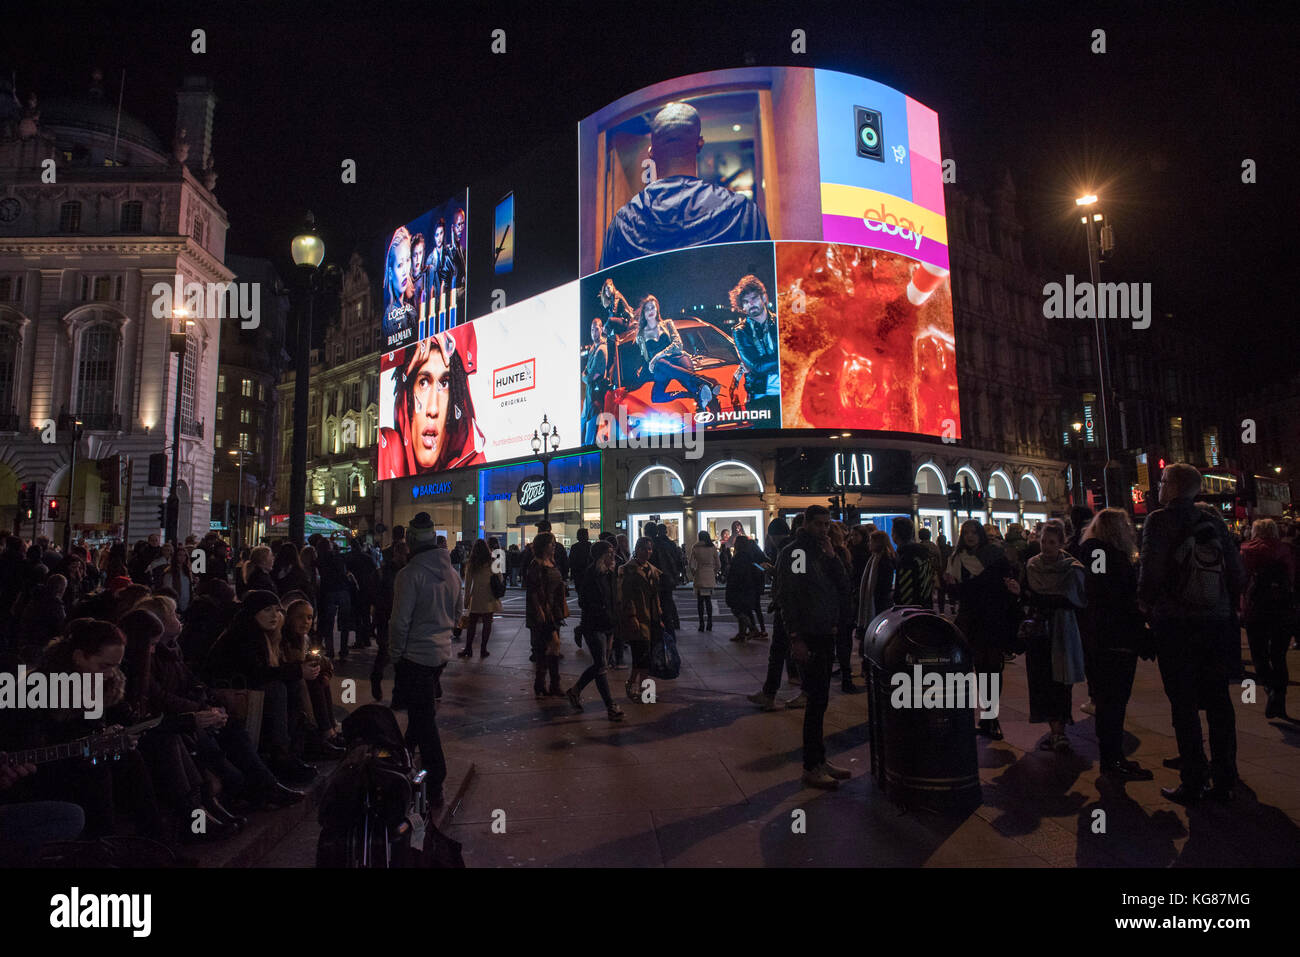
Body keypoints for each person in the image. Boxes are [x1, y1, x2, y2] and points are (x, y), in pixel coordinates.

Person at [1138, 463, 1246, 803]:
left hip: (1177, 625)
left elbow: (1150, 576)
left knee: (1183, 704)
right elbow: (1237, 575)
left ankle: (1194, 779)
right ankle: (1226, 776)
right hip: (1216, 623)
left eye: (1162, 481)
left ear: (1172, 487)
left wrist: (1147, 606)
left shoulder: (1159, 520)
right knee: (1219, 703)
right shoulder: (1214, 522)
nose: (1158, 485)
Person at [600, 101, 770, 268]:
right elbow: (766, 282)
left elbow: (603, 291)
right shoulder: (742, 212)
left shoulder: (624, 223)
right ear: (700, 143)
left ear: (651, 152)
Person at [203, 590, 318, 786]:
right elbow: (256, 673)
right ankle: (280, 754)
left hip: (248, 685)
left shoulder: (262, 633)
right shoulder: (243, 635)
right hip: (229, 690)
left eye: (276, 610)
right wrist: (297, 670)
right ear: (254, 612)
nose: (274, 615)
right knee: (278, 688)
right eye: (267, 610)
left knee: (292, 684)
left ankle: (294, 749)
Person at [774, 505, 853, 790]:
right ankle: (811, 765)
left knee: (821, 701)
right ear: (806, 523)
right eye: (818, 524)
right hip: (808, 633)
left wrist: (833, 558)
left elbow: (844, 586)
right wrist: (795, 636)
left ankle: (819, 759)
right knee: (814, 701)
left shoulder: (825, 551)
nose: (823, 529)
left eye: (826, 524)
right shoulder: (796, 553)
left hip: (825, 631)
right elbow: (789, 596)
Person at [388, 513, 458, 807]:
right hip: (439, 653)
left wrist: (396, 654)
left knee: (424, 718)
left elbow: (399, 621)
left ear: (413, 541)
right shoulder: (452, 573)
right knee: (420, 712)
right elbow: (458, 614)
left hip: (415, 654)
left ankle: (436, 777)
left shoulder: (410, 574)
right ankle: (403, 754)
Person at [1078, 508, 1154, 779]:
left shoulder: (1094, 551)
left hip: (1101, 635)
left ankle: (1112, 756)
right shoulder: (1101, 552)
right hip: (1113, 636)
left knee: (1109, 700)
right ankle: (1113, 758)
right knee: (1113, 700)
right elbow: (1103, 590)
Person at [943, 521, 1017, 739]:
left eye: (974, 532)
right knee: (979, 667)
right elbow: (957, 594)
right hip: (972, 618)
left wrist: (966, 587)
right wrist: (950, 585)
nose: (970, 536)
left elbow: (1000, 585)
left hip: (993, 617)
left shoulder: (994, 555)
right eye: (966, 533)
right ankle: (986, 716)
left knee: (993, 667)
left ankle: (991, 717)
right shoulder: (957, 559)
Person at [1017, 521, 1086, 754]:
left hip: (1062, 629)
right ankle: (1055, 730)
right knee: (1042, 679)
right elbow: (1027, 597)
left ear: (1061, 543)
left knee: (1060, 681)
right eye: (1044, 541)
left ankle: (1060, 730)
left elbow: (1073, 601)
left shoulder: (1072, 568)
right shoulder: (1032, 566)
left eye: (1052, 542)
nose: (1046, 547)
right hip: (1039, 631)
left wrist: (1037, 598)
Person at [378, 331, 486, 478]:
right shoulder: (388, 450)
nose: (433, 409)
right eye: (423, 382)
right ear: (407, 393)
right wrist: (408, 342)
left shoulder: (470, 457)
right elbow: (369, 365)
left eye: (445, 383)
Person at [1240, 518, 1295, 719]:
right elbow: (1291, 578)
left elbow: (1241, 580)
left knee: (1259, 655)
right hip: (1282, 608)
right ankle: (1278, 696)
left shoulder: (1247, 550)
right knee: (1279, 655)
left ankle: (1271, 688)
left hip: (1256, 610)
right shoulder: (1286, 550)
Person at [565, 541, 625, 721]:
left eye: (613, 552)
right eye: (609, 552)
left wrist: (614, 624)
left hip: (608, 624)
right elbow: (583, 601)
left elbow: (614, 600)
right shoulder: (591, 574)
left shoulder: (611, 573)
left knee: (601, 665)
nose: (613, 556)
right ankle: (610, 706)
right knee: (600, 664)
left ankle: (575, 691)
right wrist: (599, 609)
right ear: (600, 555)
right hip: (593, 625)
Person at [634, 294, 721, 413]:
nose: (651, 311)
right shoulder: (641, 335)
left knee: (689, 381)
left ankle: (705, 407)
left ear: (657, 309)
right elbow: (646, 358)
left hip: (678, 357)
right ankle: (705, 382)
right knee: (656, 396)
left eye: (653, 307)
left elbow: (678, 344)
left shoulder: (667, 324)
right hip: (661, 367)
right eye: (647, 308)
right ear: (643, 311)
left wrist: (659, 355)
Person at [726, 274, 780, 419]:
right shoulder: (741, 331)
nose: (751, 304)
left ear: (763, 298)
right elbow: (756, 366)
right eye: (746, 302)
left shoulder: (782, 322)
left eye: (754, 298)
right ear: (742, 306)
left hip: (789, 393)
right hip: (762, 397)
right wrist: (784, 358)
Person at [618, 536, 662, 703]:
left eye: (650, 548)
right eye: (644, 548)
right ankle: (644, 692)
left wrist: (659, 613)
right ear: (637, 549)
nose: (648, 552)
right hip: (638, 617)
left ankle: (635, 686)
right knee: (642, 656)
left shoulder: (651, 569)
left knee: (643, 657)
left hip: (651, 617)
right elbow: (625, 596)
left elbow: (655, 594)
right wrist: (632, 616)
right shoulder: (629, 569)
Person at [524, 532, 567, 698]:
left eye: (554, 543)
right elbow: (533, 591)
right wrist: (540, 611)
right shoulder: (536, 564)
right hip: (543, 611)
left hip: (554, 610)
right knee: (549, 646)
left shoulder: (551, 562)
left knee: (551, 647)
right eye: (551, 543)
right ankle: (547, 684)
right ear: (543, 546)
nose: (554, 545)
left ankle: (546, 684)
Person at [856, 529, 897, 672]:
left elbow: (883, 585)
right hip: (877, 603)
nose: (869, 544)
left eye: (871, 541)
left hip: (879, 605)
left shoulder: (883, 560)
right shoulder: (875, 558)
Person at [458, 539, 502, 659]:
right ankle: (483, 649)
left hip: (476, 596)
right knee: (487, 622)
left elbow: (467, 585)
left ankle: (468, 648)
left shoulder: (472, 563)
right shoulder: (493, 561)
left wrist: (466, 601)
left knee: (472, 623)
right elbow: (500, 578)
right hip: (489, 596)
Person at [890, 517, 934, 608]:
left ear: (895, 535)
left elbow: (905, 592)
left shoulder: (906, 557)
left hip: (911, 611)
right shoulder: (923, 553)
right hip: (926, 605)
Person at [689, 530, 719, 631]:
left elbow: (691, 564)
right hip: (709, 574)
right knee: (708, 600)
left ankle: (701, 623)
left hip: (700, 574)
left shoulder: (695, 547)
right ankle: (710, 622)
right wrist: (713, 572)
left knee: (700, 602)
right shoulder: (712, 547)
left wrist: (694, 573)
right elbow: (718, 564)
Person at [917, 527, 944, 611]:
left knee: (925, 594)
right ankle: (940, 610)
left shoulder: (919, 546)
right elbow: (939, 560)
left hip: (924, 574)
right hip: (935, 572)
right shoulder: (934, 546)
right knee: (939, 592)